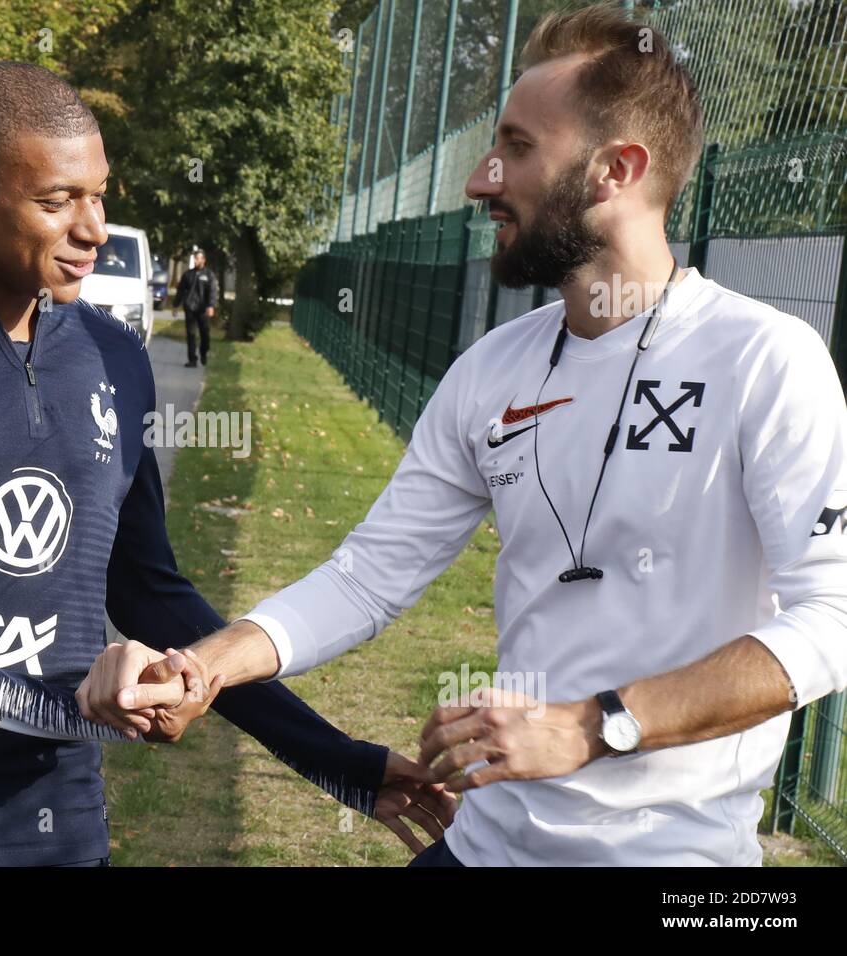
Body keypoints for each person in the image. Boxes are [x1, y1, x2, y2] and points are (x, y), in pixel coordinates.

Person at [77, 5, 847, 866]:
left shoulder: (765, 360)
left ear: (615, 169)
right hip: (485, 845)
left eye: (517, 147)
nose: (482, 181)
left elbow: (834, 619)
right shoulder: (492, 369)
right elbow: (369, 578)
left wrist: (598, 727)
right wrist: (205, 665)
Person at [0, 61, 451, 867]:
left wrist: (337, 760)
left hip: (55, 824)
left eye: (99, 194)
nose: (93, 229)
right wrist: (83, 708)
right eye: (56, 202)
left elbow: (149, 590)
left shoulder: (116, 354)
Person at [173, 249, 217, 367]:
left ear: (203, 260)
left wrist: (211, 306)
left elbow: (213, 291)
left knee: (205, 335)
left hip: (203, 310)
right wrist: (176, 306)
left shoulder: (209, 275)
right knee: (191, 334)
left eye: (199, 258)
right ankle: (192, 359)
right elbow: (180, 291)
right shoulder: (188, 275)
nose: (197, 261)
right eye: (195, 258)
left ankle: (203, 353)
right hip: (190, 308)